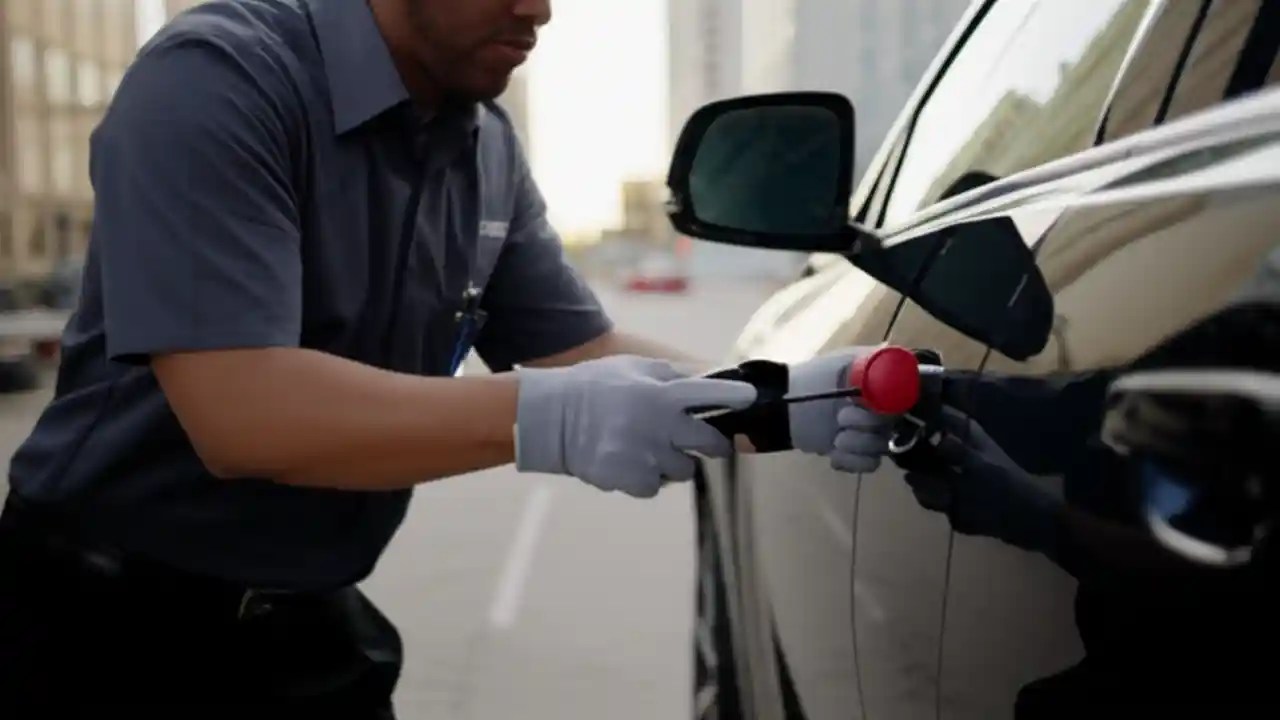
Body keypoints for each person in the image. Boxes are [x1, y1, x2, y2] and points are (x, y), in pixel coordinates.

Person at [0, 1, 885, 716]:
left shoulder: (484, 144)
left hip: (307, 630)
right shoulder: (221, 78)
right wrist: (556, 416)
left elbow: (580, 348)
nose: (538, 9)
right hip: (98, 633)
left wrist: (777, 400)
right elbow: (243, 412)